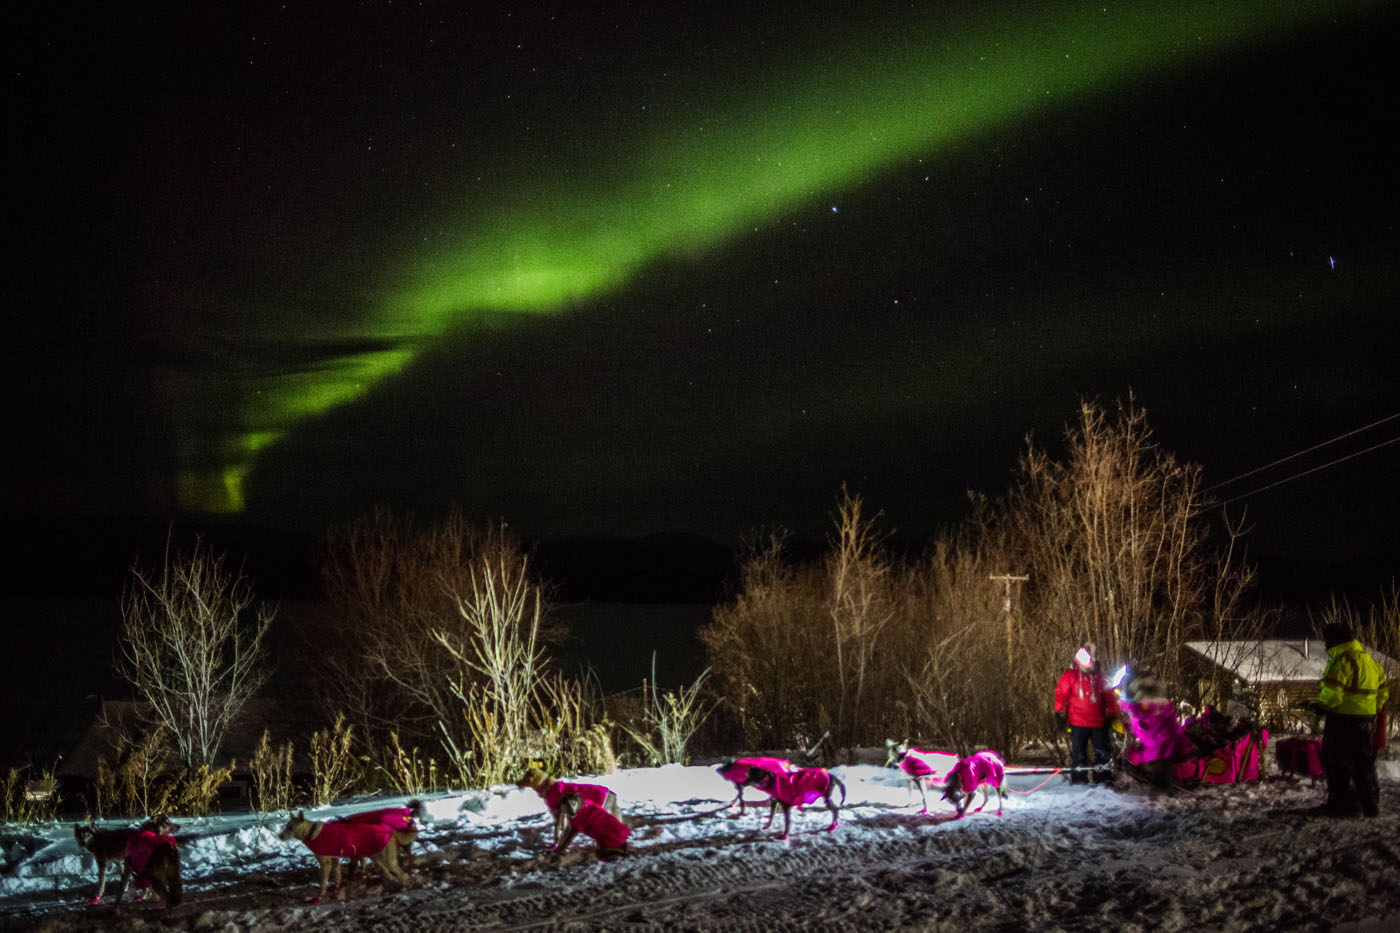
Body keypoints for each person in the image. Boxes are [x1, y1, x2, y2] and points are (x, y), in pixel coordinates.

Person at [1312, 623, 1389, 818]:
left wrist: (1319, 708)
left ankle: (1344, 805)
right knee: (1364, 764)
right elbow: (1383, 693)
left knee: (1337, 762)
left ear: (1333, 641)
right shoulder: (1371, 662)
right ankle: (1370, 804)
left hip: (1342, 721)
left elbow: (1333, 696)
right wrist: (1372, 710)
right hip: (1367, 721)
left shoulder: (1341, 661)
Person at [1054, 642, 1119, 784]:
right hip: (1077, 723)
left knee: (1102, 753)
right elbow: (1060, 694)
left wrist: (1111, 714)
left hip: (1098, 723)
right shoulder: (1070, 676)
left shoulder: (1100, 677)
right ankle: (1079, 782)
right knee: (1078, 755)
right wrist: (1059, 713)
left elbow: (1109, 696)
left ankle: (1103, 780)